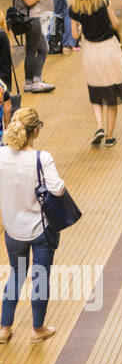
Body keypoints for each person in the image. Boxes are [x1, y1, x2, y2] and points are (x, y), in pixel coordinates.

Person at [0, 107, 64, 345]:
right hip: (40, 229)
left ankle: (4, 328)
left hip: (13, 230)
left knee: (16, 275)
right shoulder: (41, 158)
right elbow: (57, 188)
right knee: (39, 277)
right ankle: (38, 329)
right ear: (36, 130)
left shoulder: (1, 155)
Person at [68, 0, 122, 147]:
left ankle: (99, 127)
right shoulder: (104, 1)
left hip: (90, 51)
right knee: (112, 93)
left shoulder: (74, 7)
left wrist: (82, 28)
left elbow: (74, 34)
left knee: (95, 91)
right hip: (109, 49)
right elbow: (116, 24)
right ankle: (110, 137)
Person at [8, 0, 53, 94]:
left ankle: (32, 81)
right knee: (36, 50)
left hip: (24, 18)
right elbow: (28, 1)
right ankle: (33, 81)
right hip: (32, 18)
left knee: (37, 49)